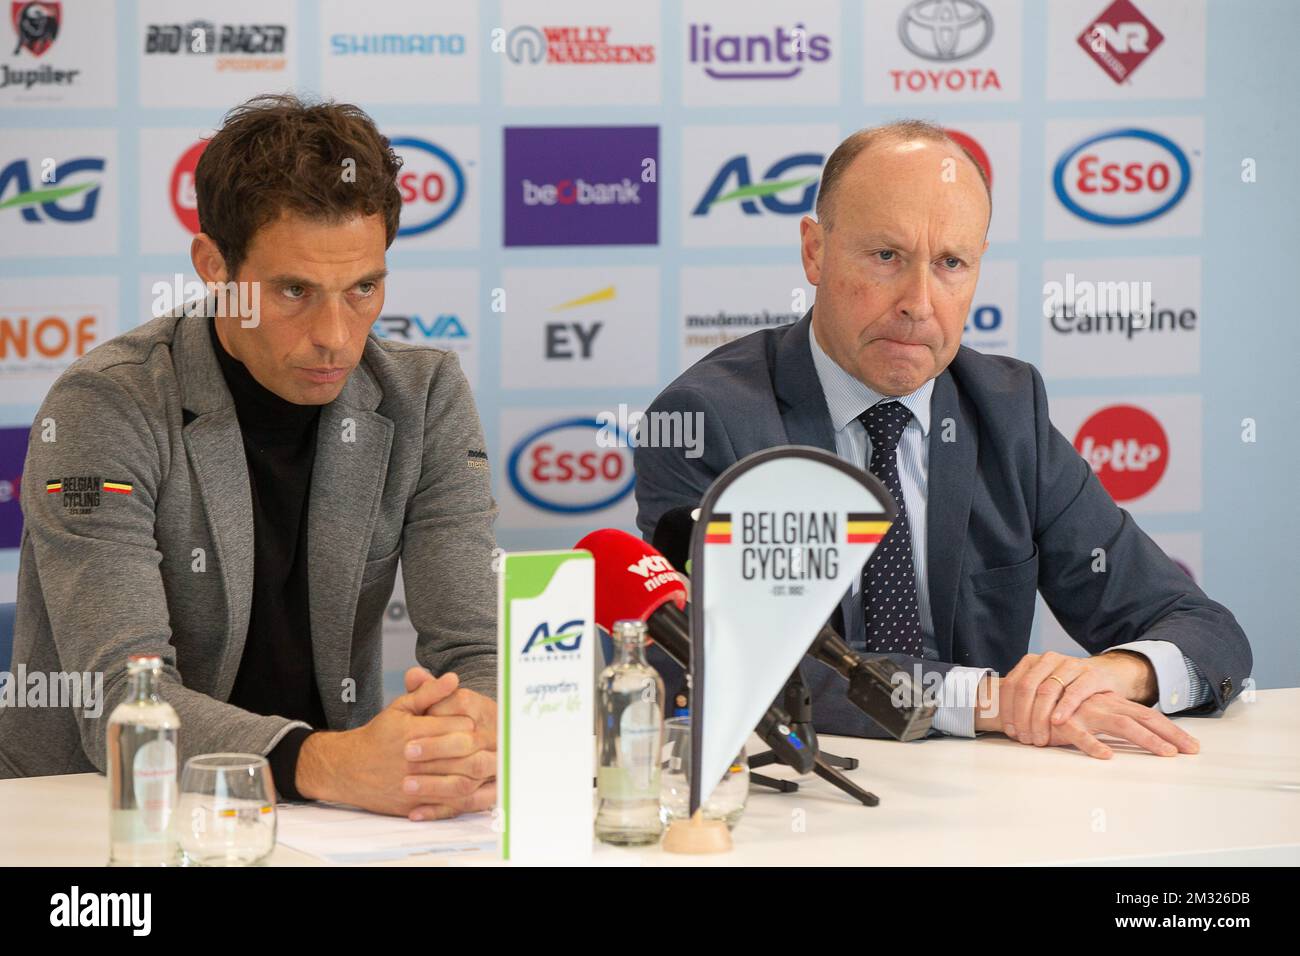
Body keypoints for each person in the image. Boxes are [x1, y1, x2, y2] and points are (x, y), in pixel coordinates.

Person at [634, 120, 1251, 759]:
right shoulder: (709, 420)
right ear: (814, 252)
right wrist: (986, 699)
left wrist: (1113, 675)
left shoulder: (1008, 410)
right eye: (886, 256)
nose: (919, 303)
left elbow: (1206, 630)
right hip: (803, 785)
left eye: (951, 263)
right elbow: (711, 655)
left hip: (984, 793)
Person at [0, 94, 498, 821]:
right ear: (213, 266)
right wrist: (331, 764)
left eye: (364, 288)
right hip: (93, 810)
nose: (336, 336)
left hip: (335, 819)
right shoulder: (105, 404)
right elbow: (121, 701)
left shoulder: (423, 397)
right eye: (294, 291)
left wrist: (469, 732)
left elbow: (479, 650)